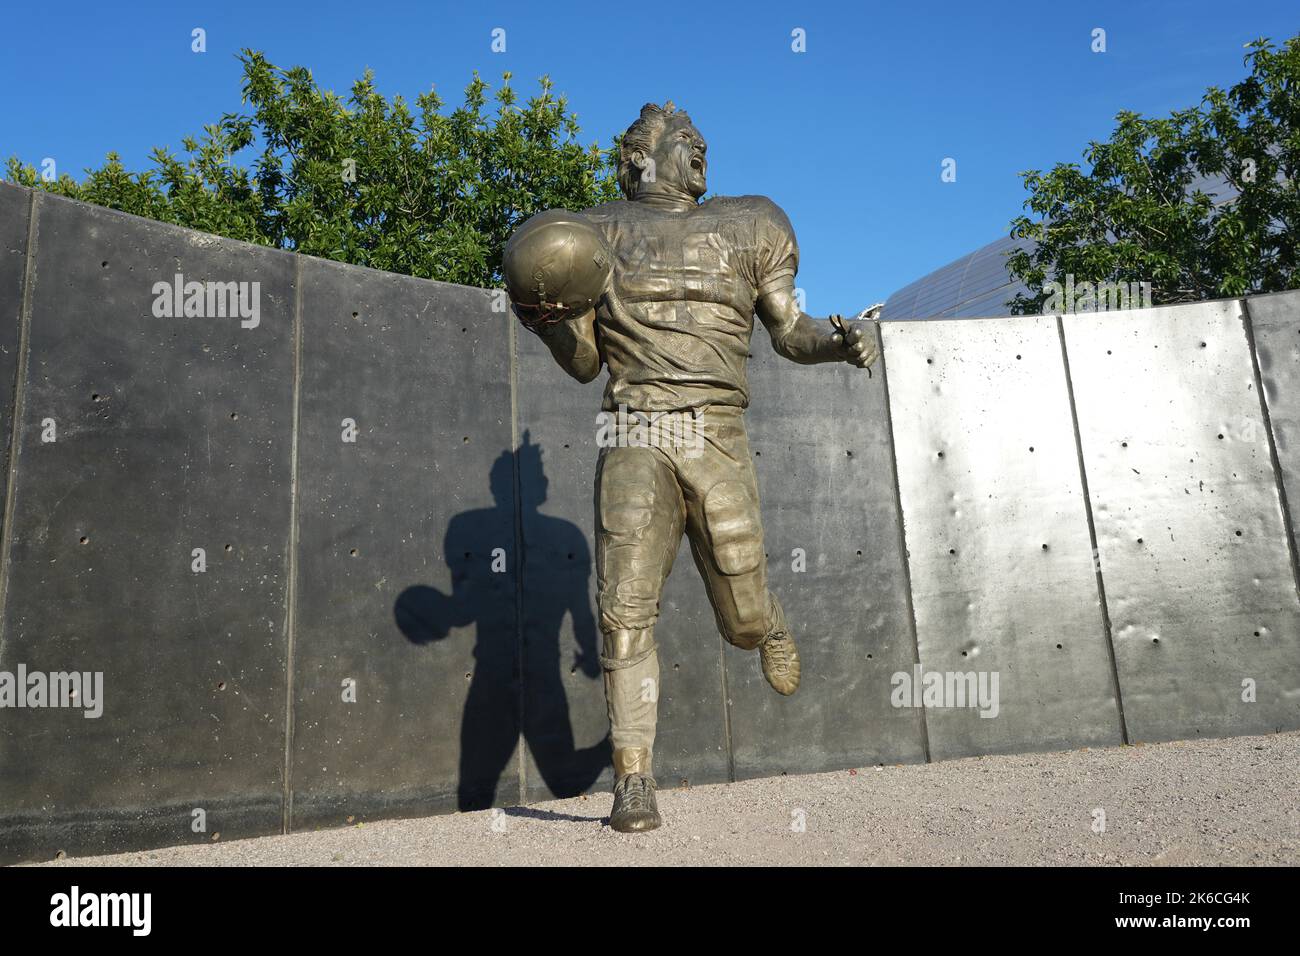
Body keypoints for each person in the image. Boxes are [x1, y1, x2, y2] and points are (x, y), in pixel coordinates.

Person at [512, 101, 877, 832]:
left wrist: (839, 338)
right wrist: (552, 325)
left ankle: (765, 623)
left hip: (717, 429)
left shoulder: (752, 223)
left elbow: (789, 332)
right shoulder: (589, 237)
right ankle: (635, 780)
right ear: (642, 156)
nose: (701, 147)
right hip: (636, 428)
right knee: (623, 608)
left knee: (739, 615)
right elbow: (586, 365)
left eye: (702, 140)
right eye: (685, 140)